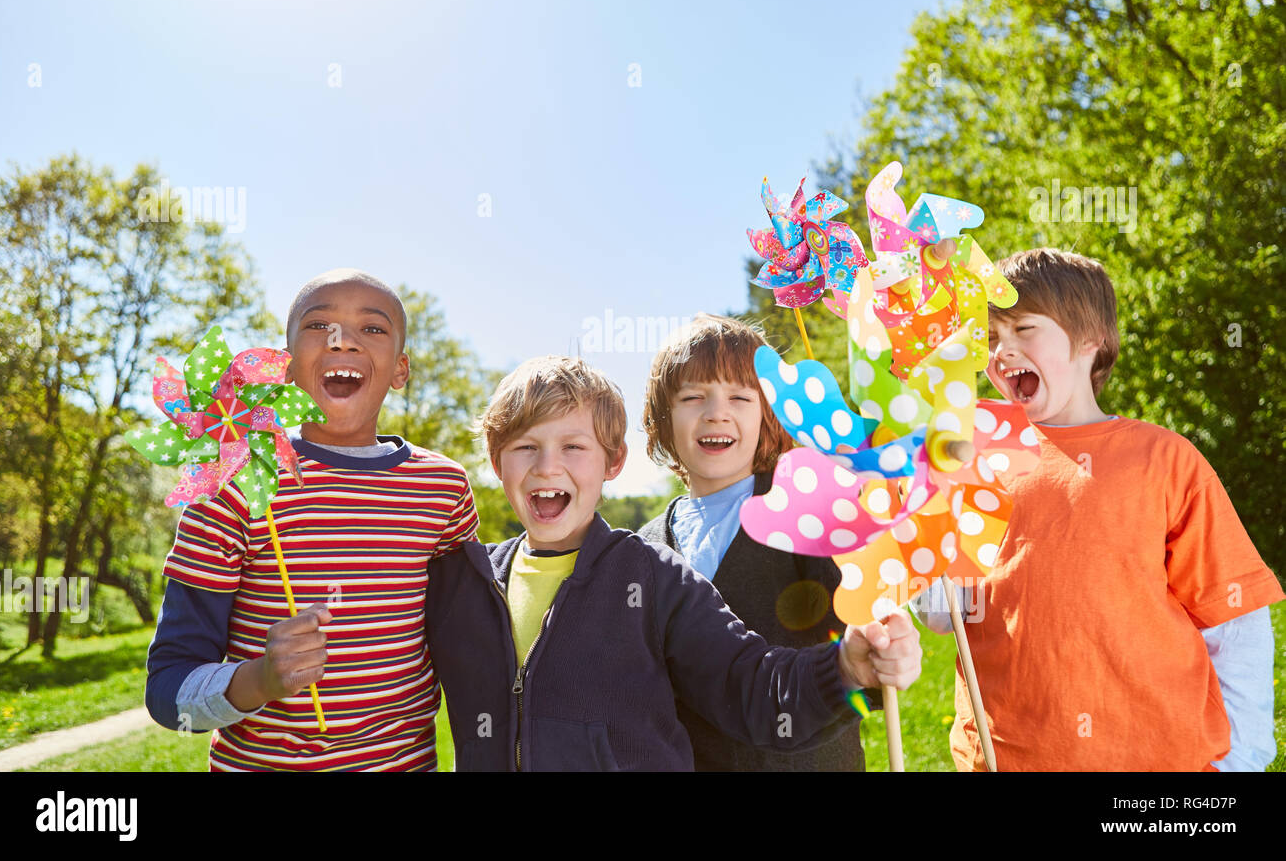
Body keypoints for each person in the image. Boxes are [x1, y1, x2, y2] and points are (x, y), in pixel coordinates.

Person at [424, 355, 922, 771]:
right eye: (525, 448)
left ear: (612, 462)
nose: (547, 466)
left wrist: (843, 668)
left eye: (573, 447)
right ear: (496, 463)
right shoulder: (461, 584)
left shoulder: (654, 577)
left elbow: (748, 682)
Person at [915, 248, 1283, 771]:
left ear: (1091, 341)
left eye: (1023, 328)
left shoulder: (1163, 459)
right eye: (992, 337)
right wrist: (921, 534)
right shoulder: (972, 459)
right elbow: (942, 614)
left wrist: (1242, 758)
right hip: (1007, 757)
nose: (1002, 350)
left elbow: (1235, 614)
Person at [145, 269, 481, 771]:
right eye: (319, 325)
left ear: (400, 370)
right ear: (282, 367)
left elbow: (466, 640)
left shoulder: (443, 488)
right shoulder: (232, 485)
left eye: (372, 328)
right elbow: (168, 690)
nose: (342, 341)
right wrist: (259, 680)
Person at [636, 313, 875, 770]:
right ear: (663, 418)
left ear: (768, 414)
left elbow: (858, 631)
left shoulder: (809, 511)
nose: (716, 412)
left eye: (739, 397)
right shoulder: (645, 546)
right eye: (693, 396)